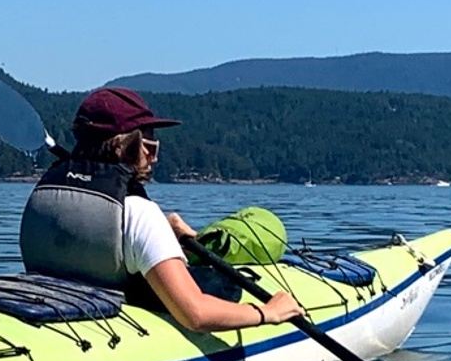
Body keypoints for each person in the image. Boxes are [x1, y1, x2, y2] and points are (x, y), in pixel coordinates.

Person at [19, 86, 304, 333]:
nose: (154, 157)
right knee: (221, 287)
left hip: (58, 303)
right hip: (117, 308)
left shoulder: (42, 195)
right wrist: (269, 313)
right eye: (150, 147)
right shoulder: (138, 213)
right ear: (125, 146)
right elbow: (196, 314)